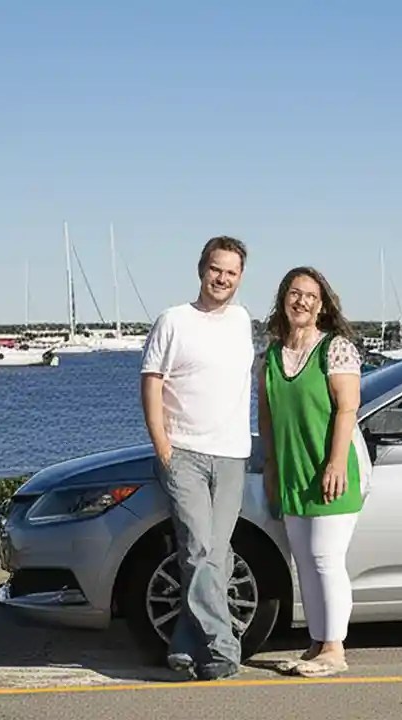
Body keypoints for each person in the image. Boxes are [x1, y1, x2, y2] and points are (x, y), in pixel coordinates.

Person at [140, 235, 254, 681]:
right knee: (198, 547)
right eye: (215, 269)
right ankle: (224, 648)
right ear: (201, 269)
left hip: (230, 455)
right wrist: (162, 446)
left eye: (231, 272)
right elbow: (151, 381)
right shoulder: (174, 320)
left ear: (240, 277)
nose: (222, 278)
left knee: (215, 556)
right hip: (184, 453)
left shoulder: (242, 321)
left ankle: (186, 648)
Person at [258, 266, 368, 678]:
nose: (301, 300)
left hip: (328, 471)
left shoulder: (335, 349)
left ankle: (335, 649)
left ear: (322, 305)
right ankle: (317, 644)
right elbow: (266, 416)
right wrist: (270, 465)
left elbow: (347, 407)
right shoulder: (270, 355)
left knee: (326, 559)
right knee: (304, 562)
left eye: (310, 295)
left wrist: (336, 461)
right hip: (291, 472)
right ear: (283, 299)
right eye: (293, 293)